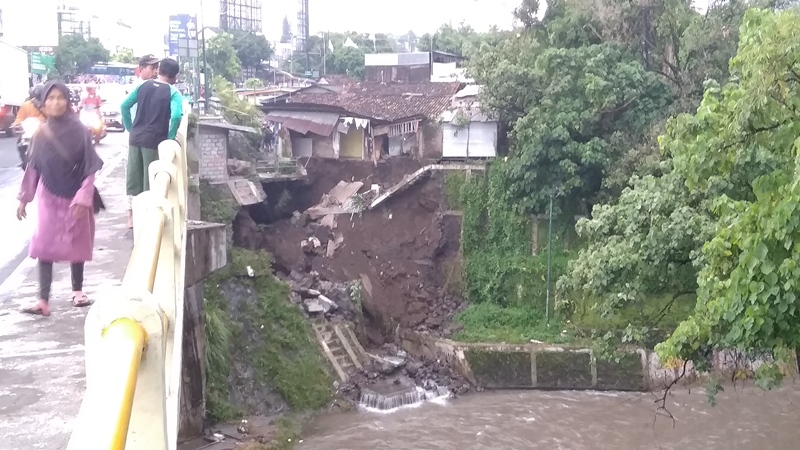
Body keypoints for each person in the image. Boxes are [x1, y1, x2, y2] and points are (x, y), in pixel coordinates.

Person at [16, 81, 105, 316]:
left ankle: (77, 291)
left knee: (77, 241)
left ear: (67, 101)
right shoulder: (40, 133)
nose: (55, 103)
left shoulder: (79, 131)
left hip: (76, 195)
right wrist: (24, 198)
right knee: (44, 244)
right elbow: (33, 167)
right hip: (48, 195)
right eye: (51, 98)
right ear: (44, 103)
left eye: (60, 98)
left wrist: (84, 195)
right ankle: (43, 300)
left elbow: (90, 167)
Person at [120, 58, 183, 227]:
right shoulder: (173, 92)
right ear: (175, 76)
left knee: (135, 182)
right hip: (154, 142)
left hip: (135, 140)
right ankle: (147, 221)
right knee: (151, 183)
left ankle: (134, 219)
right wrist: (170, 138)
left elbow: (124, 106)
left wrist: (130, 128)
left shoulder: (143, 86)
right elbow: (176, 116)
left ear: (159, 71)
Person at [123, 55, 161, 230]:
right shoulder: (137, 87)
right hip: (135, 138)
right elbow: (124, 107)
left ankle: (144, 212)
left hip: (146, 137)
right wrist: (130, 129)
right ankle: (131, 215)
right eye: (152, 68)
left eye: (156, 68)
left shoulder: (155, 87)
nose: (155, 71)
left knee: (146, 175)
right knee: (134, 177)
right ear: (141, 69)